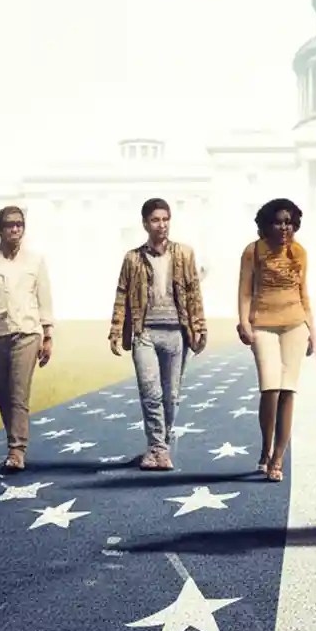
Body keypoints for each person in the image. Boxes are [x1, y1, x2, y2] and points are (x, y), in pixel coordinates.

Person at [108, 198, 208, 471]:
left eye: (165, 219)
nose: (161, 225)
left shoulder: (184, 254)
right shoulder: (132, 258)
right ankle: (157, 449)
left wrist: (200, 328)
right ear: (145, 224)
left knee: (170, 396)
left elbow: (193, 292)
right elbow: (122, 294)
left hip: (177, 332)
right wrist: (116, 330)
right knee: (150, 392)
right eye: (155, 220)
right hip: (145, 332)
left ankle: (161, 441)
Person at [0, 205, 55, 472]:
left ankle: (17, 449)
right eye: (9, 225)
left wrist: (48, 334)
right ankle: (16, 434)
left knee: (18, 390)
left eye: (19, 224)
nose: (15, 229)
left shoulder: (35, 260)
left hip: (27, 333)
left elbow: (44, 297)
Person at [237, 198, 314, 483]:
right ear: (266, 224)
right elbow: (245, 291)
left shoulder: (299, 252)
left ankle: (278, 457)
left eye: (289, 222)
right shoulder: (253, 251)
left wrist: (311, 328)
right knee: (270, 388)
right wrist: (244, 322)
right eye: (279, 221)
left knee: (288, 389)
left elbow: (304, 292)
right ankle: (265, 448)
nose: (284, 227)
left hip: (296, 324)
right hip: (263, 325)